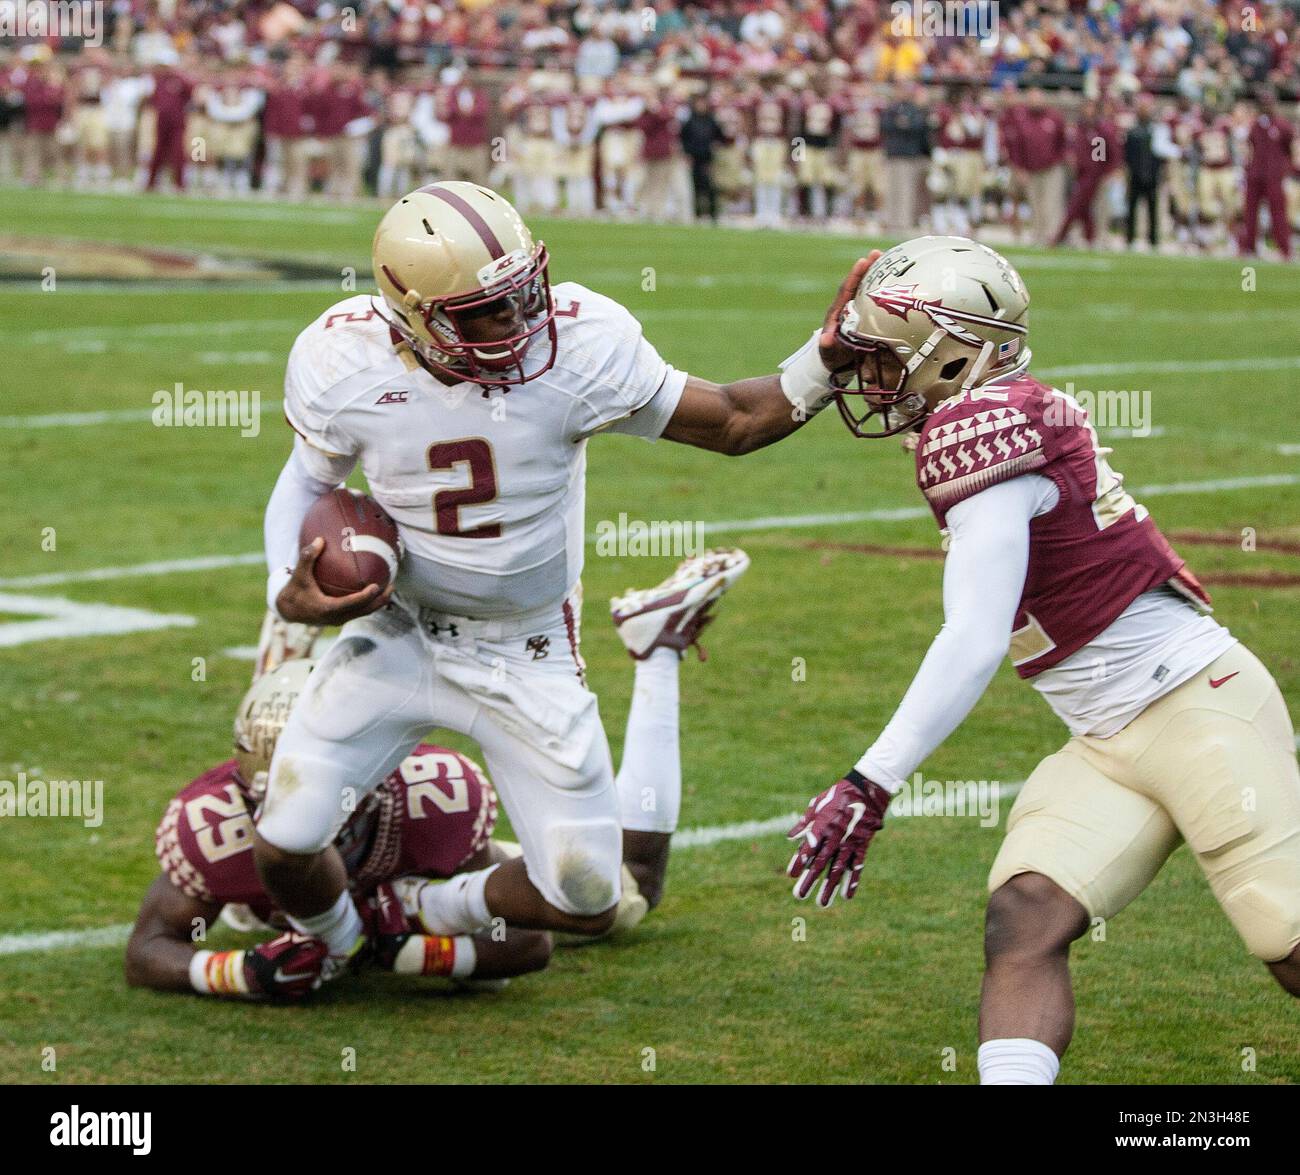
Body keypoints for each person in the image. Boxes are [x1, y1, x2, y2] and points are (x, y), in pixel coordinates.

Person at [254, 181, 868, 981]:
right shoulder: (343, 358)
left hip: (526, 646)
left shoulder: (580, 343)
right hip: (398, 631)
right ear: (415, 316)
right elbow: (307, 480)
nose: (518, 322)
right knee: (287, 837)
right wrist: (286, 587)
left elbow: (734, 421)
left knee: (585, 896)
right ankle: (337, 947)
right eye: (485, 310)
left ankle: (417, 909)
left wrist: (823, 362)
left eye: (522, 294)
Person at [785, 236, 1300, 1085]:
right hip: (1107, 736)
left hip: (1195, 705)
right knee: (1024, 916)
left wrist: (870, 780)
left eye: (884, 361)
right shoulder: (994, 408)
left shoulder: (982, 425)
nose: (870, 383)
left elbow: (974, 636)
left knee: (1286, 941)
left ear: (949, 354)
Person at [1238, 89, 1294, 261]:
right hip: (1255, 174)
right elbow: (1249, 147)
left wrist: (1284, 170)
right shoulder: (1255, 125)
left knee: (1278, 212)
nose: (1266, 106)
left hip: (1274, 176)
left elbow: (1289, 149)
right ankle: (1248, 247)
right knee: (1250, 212)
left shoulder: (1283, 126)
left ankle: (1284, 250)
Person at [680, 91, 723, 222]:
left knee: (710, 187)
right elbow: (684, 138)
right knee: (695, 187)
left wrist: (715, 148)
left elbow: (719, 136)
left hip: (707, 157)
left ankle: (713, 214)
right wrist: (687, 153)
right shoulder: (690, 120)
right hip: (694, 157)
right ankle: (697, 213)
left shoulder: (711, 120)